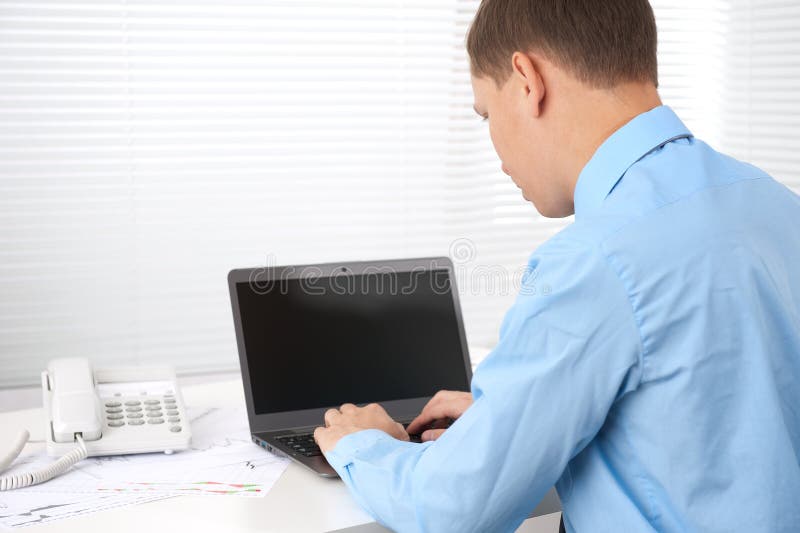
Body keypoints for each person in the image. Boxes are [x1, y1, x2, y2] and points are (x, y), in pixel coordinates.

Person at [313, 1, 800, 531]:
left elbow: (451, 507)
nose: (497, 152)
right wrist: (513, 421)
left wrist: (361, 444)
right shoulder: (774, 203)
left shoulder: (595, 260)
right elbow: (715, 431)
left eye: (485, 114)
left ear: (527, 80)